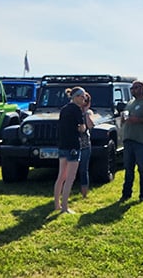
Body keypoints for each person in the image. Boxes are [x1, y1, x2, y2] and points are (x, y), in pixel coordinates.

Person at [120, 80, 143, 203]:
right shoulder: (130, 103)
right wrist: (123, 119)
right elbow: (125, 119)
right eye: (132, 88)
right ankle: (126, 194)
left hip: (141, 141)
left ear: (142, 89)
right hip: (128, 139)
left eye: (135, 88)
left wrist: (138, 119)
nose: (132, 90)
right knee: (128, 168)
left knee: (142, 168)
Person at [53, 86, 87, 214]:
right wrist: (81, 128)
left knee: (61, 176)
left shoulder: (64, 109)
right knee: (70, 177)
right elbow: (82, 128)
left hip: (62, 145)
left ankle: (57, 204)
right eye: (82, 96)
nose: (84, 99)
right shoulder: (77, 110)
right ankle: (65, 207)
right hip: (73, 145)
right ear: (76, 97)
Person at [77, 92, 94, 199]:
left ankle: (84, 193)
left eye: (86, 101)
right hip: (72, 144)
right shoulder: (73, 111)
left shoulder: (88, 113)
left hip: (84, 145)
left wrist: (86, 113)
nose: (84, 103)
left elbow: (91, 126)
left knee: (83, 169)